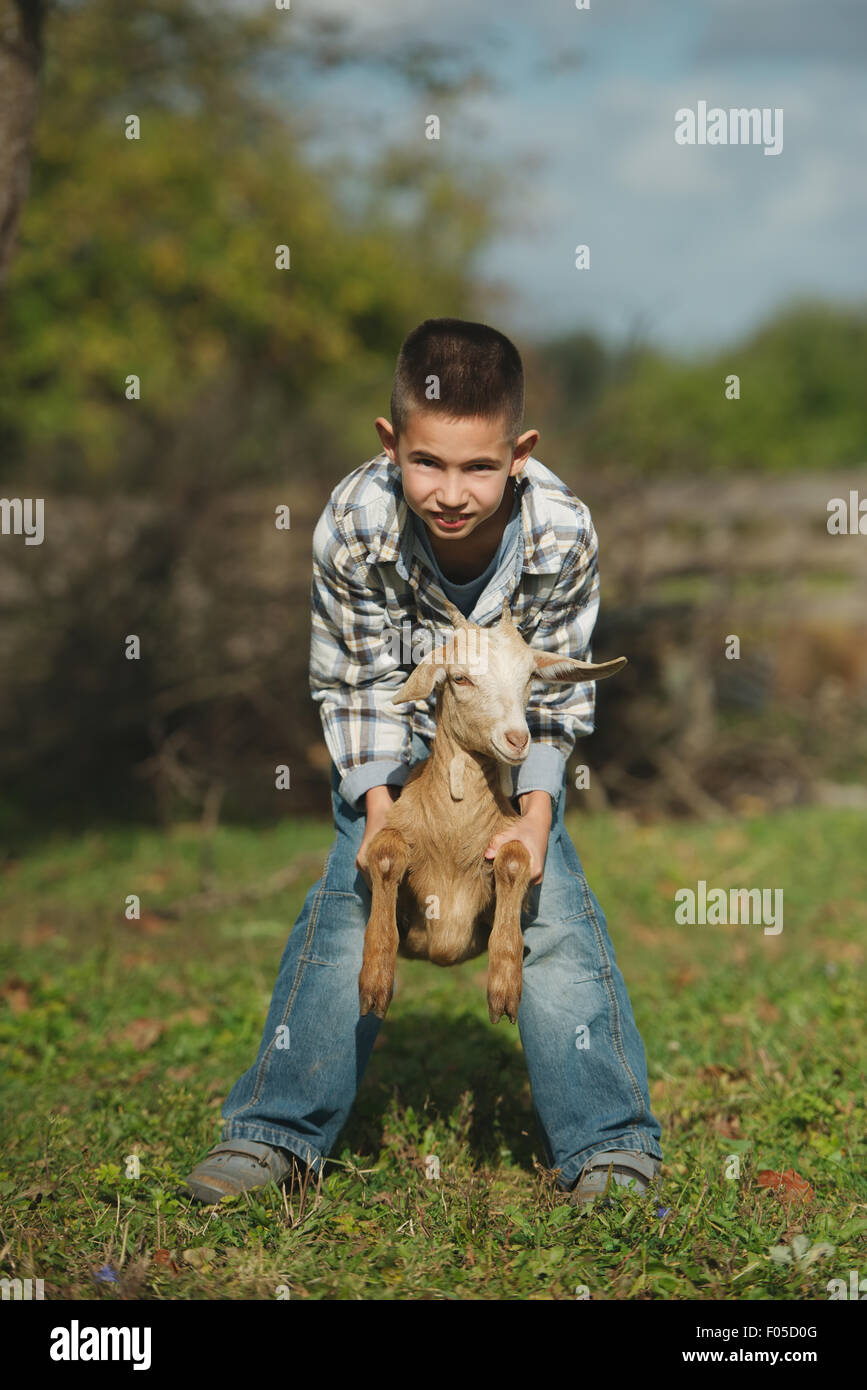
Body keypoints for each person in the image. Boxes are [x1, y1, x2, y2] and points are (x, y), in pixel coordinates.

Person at [183, 317, 662, 1209]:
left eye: (478, 467)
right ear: (389, 442)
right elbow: (355, 685)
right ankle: (276, 1131)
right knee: (347, 908)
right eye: (426, 463)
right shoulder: (355, 523)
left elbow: (552, 705)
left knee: (551, 912)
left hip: (508, 743)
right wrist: (382, 821)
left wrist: (532, 819)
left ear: (519, 454)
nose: (449, 492)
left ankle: (610, 1144)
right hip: (394, 740)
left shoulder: (560, 532)